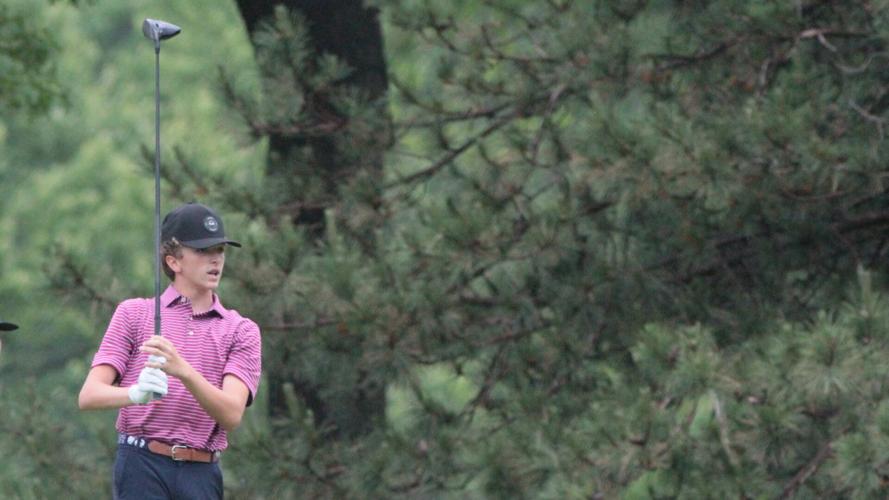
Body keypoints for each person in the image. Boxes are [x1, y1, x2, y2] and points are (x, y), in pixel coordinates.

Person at [78, 202, 261, 499]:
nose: (215, 260)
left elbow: (231, 414)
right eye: (203, 251)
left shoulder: (241, 329)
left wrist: (183, 370)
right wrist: (135, 394)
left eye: (220, 251)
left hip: (201, 470)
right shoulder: (134, 314)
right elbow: (89, 396)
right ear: (173, 261)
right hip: (141, 464)